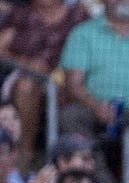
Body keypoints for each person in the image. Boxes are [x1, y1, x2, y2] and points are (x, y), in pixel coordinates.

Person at [57, 0, 129, 141]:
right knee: (71, 115)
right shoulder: (83, 33)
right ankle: (90, 163)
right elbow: (73, 84)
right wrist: (97, 107)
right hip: (96, 107)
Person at [0, 0, 89, 171]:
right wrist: (27, 65)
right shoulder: (21, 15)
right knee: (27, 85)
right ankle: (24, 156)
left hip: (67, 80)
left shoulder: (77, 15)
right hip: (24, 77)